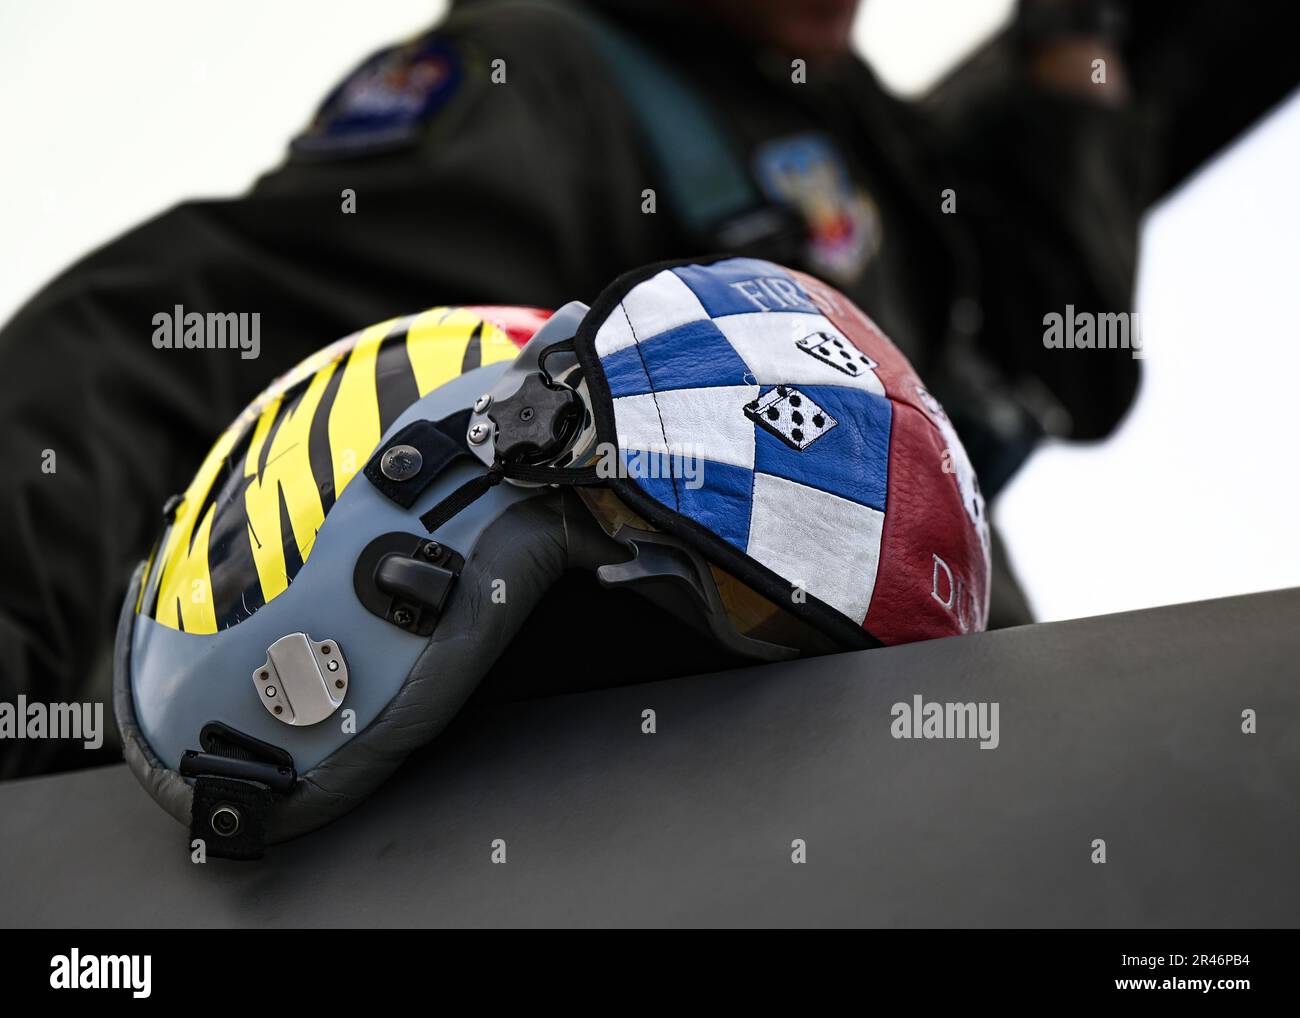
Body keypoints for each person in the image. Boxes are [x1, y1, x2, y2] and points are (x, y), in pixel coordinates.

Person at [0, 0, 1198, 776]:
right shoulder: (552, 75)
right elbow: (171, 323)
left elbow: (1073, 365)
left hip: (944, 753)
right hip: (676, 793)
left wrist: (1070, 55)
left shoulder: (871, 133)